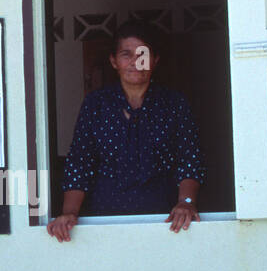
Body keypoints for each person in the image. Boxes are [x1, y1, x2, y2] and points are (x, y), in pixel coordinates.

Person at [48, 20, 205, 242]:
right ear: (113, 61)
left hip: (165, 221)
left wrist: (186, 203)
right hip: (105, 219)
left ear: (155, 60)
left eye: (143, 54)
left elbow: (190, 160)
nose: (135, 62)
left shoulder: (173, 103)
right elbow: (79, 163)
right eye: (126, 54)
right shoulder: (96, 104)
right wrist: (70, 212)